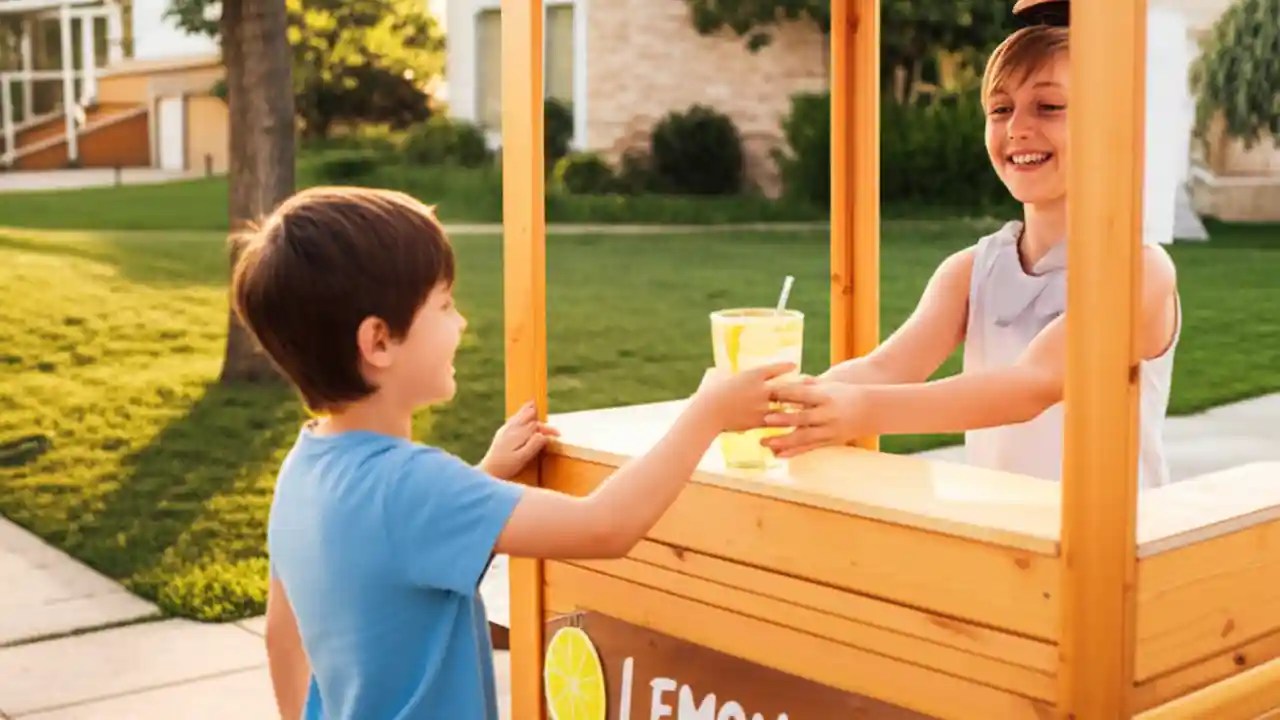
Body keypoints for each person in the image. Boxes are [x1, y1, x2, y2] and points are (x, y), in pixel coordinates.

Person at [231, 186, 793, 719]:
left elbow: (285, 635)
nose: (462, 322)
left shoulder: (305, 469)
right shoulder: (416, 485)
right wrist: (707, 413)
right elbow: (604, 527)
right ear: (378, 341)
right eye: (444, 305)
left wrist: (487, 477)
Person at [763, 25, 1181, 488]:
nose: (1018, 128)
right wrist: (792, 402)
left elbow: (1031, 385)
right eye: (1001, 109)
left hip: (1117, 551)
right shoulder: (970, 271)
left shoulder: (1139, 271)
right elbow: (887, 368)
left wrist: (859, 409)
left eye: (1049, 107)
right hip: (1004, 540)